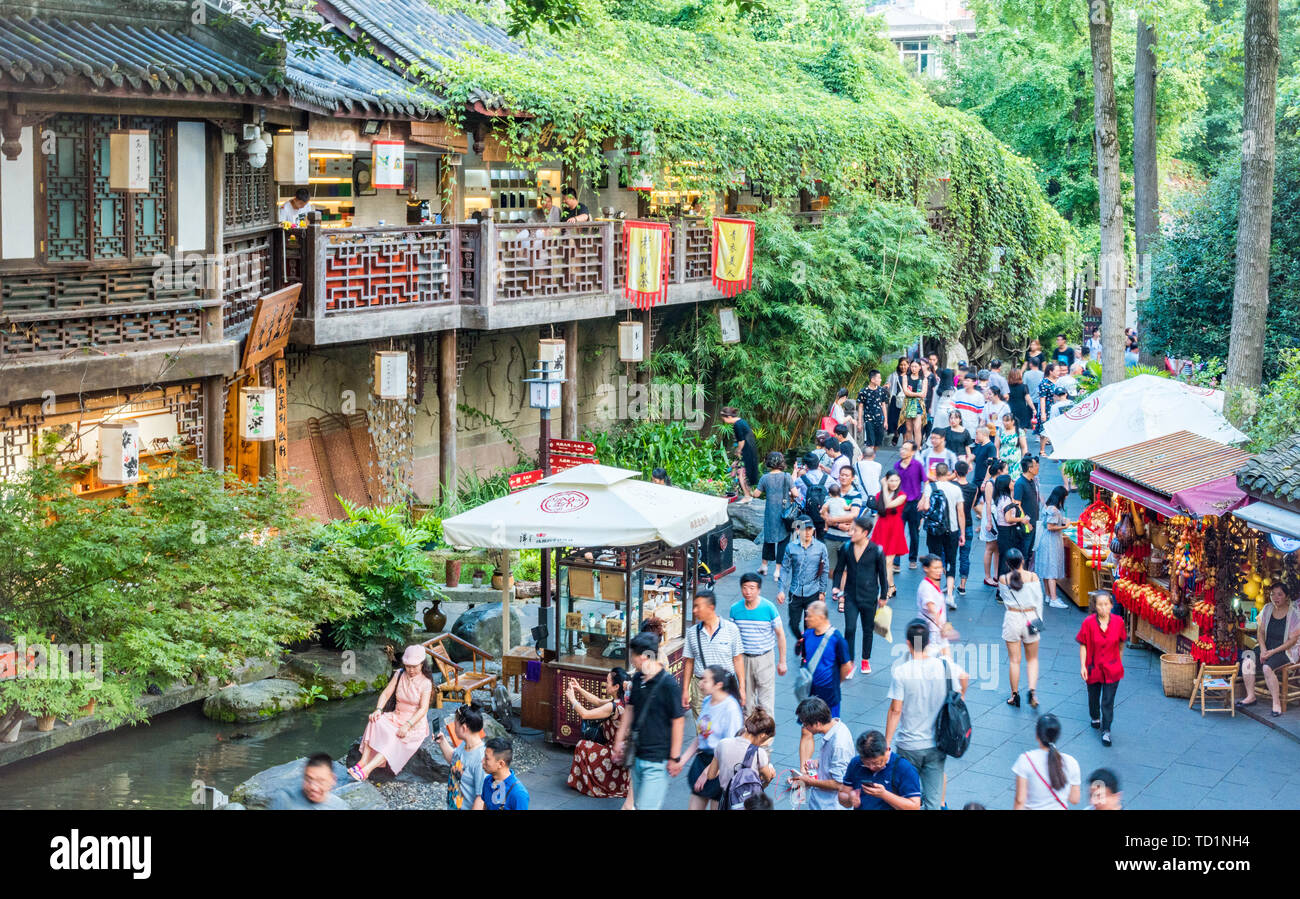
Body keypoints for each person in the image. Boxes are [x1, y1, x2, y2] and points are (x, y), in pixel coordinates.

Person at [886, 619, 969, 810]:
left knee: (906, 799)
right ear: (928, 642)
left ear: (908, 643)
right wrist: (961, 697)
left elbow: (895, 710)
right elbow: (964, 677)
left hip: (908, 745)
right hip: (937, 744)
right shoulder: (945, 666)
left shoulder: (902, 672)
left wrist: (887, 742)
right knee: (933, 802)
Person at [613, 631, 684, 810]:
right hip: (637, 754)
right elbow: (630, 710)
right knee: (639, 804)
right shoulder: (637, 679)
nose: (631, 660)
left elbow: (678, 721)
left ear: (644, 657)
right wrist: (618, 740)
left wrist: (675, 757)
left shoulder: (669, 685)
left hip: (657, 760)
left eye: (633, 656)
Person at [350, 645, 433, 781]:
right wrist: (378, 709)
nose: (411, 670)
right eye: (408, 666)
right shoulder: (400, 674)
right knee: (375, 721)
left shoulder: (426, 683)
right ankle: (362, 762)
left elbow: (423, 709)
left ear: (422, 664)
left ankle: (366, 771)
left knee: (395, 738)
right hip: (396, 715)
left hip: (414, 723)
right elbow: (387, 693)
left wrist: (408, 725)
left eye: (414, 666)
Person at [673, 665, 744, 809]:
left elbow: (729, 749)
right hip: (703, 760)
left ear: (718, 685)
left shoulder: (731, 708)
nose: (700, 683)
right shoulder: (707, 702)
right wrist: (681, 761)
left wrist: (708, 772)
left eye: (705, 680)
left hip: (721, 767)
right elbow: (701, 736)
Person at [833, 514, 890, 676]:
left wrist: (883, 595)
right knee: (850, 629)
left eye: (854, 530)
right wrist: (836, 587)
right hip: (850, 595)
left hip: (869, 596)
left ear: (865, 533)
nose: (851, 533)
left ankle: (865, 659)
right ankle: (849, 662)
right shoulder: (846, 548)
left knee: (867, 629)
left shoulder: (876, 551)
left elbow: (882, 575)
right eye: (851, 529)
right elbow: (838, 570)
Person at [565, 668, 632, 803]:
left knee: (582, 745)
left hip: (615, 757)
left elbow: (585, 714)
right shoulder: (624, 702)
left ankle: (593, 783)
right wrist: (579, 688)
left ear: (616, 687)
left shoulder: (613, 707)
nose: (605, 684)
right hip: (626, 758)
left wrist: (572, 699)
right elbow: (597, 701)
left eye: (608, 682)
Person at [729, 573, 787, 715]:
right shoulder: (735, 609)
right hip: (744, 660)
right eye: (745, 587)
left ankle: (767, 736)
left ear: (759, 590)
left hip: (764, 658)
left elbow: (780, 635)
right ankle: (748, 736)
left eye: (752, 588)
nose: (748, 591)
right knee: (747, 702)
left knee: (765, 703)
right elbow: (732, 637)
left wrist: (782, 661)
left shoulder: (769, 608)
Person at [1239, 583, 1300, 716]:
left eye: (1279, 594)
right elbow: (1260, 632)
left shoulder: (1294, 614)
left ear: (1286, 596)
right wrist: (1262, 649)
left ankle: (1276, 703)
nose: (1275, 597)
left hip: (1284, 650)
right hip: (1266, 647)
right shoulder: (1267, 608)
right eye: (1272, 594)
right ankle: (1251, 696)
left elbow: (1292, 641)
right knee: (1247, 657)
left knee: (1267, 668)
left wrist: (1272, 652)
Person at [682, 588, 745, 715]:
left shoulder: (731, 629)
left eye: (698, 607)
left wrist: (742, 688)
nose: (694, 611)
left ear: (711, 608)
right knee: (703, 730)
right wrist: (685, 690)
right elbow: (689, 662)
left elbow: (738, 659)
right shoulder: (692, 632)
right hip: (701, 687)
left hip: (724, 688)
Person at [1076, 591, 1127, 746]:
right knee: (1093, 695)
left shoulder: (1118, 622)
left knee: (1108, 700)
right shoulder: (1088, 623)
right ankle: (1095, 716)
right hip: (1093, 666)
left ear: (1111, 605)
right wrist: (1083, 665)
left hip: (1112, 667)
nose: (1103, 608)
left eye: (1106, 604)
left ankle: (1106, 730)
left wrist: (1119, 661)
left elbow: (1121, 643)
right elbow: (1083, 644)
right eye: (1100, 605)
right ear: (1095, 606)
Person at [704, 707, 778, 806]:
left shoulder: (722, 744)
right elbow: (767, 779)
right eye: (765, 741)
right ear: (762, 735)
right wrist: (771, 773)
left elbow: (710, 775)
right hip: (748, 803)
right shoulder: (759, 753)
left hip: (727, 802)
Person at [791, 696, 854, 811]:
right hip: (821, 801)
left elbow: (839, 784)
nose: (804, 727)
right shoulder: (834, 728)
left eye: (806, 724)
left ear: (818, 724)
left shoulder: (839, 744)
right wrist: (819, 762)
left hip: (830, 805)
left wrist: (810, 781)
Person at [999, 548, 1043, 709]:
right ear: (1022, 561)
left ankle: (1014, 694)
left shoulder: (1003, 579)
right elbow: (1039, 601)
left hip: (1012, 618)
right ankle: (1032, 692)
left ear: (1007, 564)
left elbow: (1004, 599)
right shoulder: (1033, 577)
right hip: (1031, 618)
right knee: (1032, 659)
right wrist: (1039, 622)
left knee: (1014, 660)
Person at [838, 729, 922, 811]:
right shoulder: (856, 763)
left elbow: (914, 807)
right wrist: (850, 797)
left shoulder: (904, 768)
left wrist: (884, 794)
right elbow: (842, 795)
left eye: (876, 763)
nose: (871, 767)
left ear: (887, 750)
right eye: (866, 763)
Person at [1013, 714, 1080, 810]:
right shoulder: (1071, 762)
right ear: (1058, 736)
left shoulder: (1026, 760)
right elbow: (1075, 799)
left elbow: (1020, 800)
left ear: (1037, 735)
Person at [778, 517, 830, 638]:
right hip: (795, 592)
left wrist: (822, 591)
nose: (807, 532)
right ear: (797, 530)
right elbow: (785, 568)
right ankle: (801, 640)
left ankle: (805, 653)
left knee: (810, 625)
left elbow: (825, 570)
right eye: (804, 529)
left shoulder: (821, 547)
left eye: (809, 529)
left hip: (813, 591)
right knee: (793, 624)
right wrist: (781, 590)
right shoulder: (791, 547)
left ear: (813, 530)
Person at [798, 601, 852, 717]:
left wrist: (837, 682)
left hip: (829, 692)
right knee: (806, 730)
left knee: (831, 728)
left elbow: (846, 665)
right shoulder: (807, 634)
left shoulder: (836, 638)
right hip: (810, 690)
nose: (806, 619)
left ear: (821, 617)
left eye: (810, 616)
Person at [924, 463, 965, 609]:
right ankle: (949, 595)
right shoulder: (955, 489)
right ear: (948, 473)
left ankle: (934, 594)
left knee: (934, 559)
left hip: (934, 529)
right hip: (951, 529)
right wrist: (963, 533)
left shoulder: (930, 487)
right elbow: (961, 512)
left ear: (935, 473)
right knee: (951, 561)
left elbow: (925, 507)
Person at [754, 451, 796, 579]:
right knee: (783, 540)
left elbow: (755, 494)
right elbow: (796, 494)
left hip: (770, 513)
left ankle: (764, 566)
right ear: (781, 462)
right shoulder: (787, 476)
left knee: (769, 538)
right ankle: (777, 571)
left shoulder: (765, 478)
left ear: (769, 463)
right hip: (785, 513)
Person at [439, 703, 487, 811]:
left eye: (455, 723)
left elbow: (481, 798)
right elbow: (453, 759)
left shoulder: (481, 759)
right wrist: (442, 741)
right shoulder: (464, 745)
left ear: (464, 728)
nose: (453, 726)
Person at [870, 470, 908, 597]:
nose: (894, 483)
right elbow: (878, 514)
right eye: (891, 480)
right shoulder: (879, 495)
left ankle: (887, 588)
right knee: (879, 561)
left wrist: (885, 487)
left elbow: (889, 504)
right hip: (881, 528)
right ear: (887, 480)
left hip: (894, 529)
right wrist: (872, 533)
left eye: (897, 480)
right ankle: (891, 586)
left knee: (888, 562)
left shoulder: (902, 495)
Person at [269, 753, 349, 809]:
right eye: (308, 779)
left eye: (320, 781)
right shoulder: (285, 798)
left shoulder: (340, 806)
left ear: (332, 780)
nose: (313, 787)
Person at [1035, 486, 1071, 609]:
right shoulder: (1054, 510)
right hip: (1051, 541)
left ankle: (1048, 595)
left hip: (1044, 539)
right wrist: (1064, 526)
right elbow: (1051, 527)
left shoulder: (1046, 506)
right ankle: (1054, 599)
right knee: (1051, 569)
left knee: (1046, 568)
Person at [893, 440, 927, 570]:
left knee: (914, 533)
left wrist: (923, 499)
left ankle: (912, 558)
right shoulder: (897, 465)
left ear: (913, 452)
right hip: (900, 504)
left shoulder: (917, 465)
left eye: (906, 449)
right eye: (902, 448)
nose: (902, 451)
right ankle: (896, 561)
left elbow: (926, 482)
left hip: (914, 503)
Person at [474, 737, 530, 809]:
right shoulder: (487, 780)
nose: (482, 761)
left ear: (501, 764)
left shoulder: (519, 794)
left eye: (487, 758)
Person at [820, 480, 858, 576]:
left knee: (827, 521)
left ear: (829, 493)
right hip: (843, 520)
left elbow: (822, 510)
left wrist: (824, 512)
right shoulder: (842, 500)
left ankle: (826, 527)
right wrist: (850, 506)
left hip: (833, 522)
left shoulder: (829, 500)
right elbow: (846, 508)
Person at [721, 406, 759, 502]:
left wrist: (738, 451)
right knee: (742, 472)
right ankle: (748, 494)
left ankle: (747, 496)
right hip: (750, 450)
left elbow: (741, 441)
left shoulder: (737, 425)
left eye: (724, 418)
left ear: (729, 417)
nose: (724, 421)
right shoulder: (741, 421)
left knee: (741, 473)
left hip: (746, 451)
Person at [979, 458, 1008, 586]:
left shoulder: (1001, 481)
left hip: (998, 514)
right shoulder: (991, 483)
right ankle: (987, 576)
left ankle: (996, 574)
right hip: (991, 515)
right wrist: (989, 522)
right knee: (990, 547)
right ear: (999, 471)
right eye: (1006, 469)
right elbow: (988, 503)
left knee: (997, 547)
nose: (1008, 471)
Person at [915, 555, 951, 654]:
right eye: (935, 568)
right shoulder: (926, 587)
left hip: (937, 631)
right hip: (930, 633)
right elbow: (932, 608)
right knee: (924, 664)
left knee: (948, 663)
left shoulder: (932, 584)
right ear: (926, 568)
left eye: (940, 567)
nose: (939, 571)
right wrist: (943, 626)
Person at [993, 473, 1027, 577]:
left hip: (1003, 533)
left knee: (1004, 558)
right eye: (1011, 481)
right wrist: (1021, 519)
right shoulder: (1006, 500)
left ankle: (1001, 585)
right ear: (1007, 485)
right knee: (1007, 559)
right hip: (1008, 533)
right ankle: (1004, 585)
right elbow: (1008, 519)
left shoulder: (1001, 498)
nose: (1013, 483)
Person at [954, 461, 978, 596]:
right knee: (965, 556)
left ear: (955, 472)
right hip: (968, 523)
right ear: (968, 471)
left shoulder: (952, 486)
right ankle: (962, 585)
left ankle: (949, 579)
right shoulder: (973, 488)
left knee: (949, 554)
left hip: (954, 525)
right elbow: (972, 504)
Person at [796, 452, 833, 539]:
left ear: (805, 466)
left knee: (806, 538)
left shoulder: (801, 480)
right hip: (823, 514)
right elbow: (837, 490)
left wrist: (795, 471)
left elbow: (792, 490)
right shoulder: (828, 479)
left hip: (807, 514)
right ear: (818, 464)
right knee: (822, 537)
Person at [1014, 454, 1041, 568]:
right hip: (1026, 525)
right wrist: (1026, 522)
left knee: (1029, 553)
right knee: (1024, 554)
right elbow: (1017, 504)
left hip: (1034, 522)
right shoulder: (1020, 483)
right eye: (1035, 465)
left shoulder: (1031, 481)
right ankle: (1022, 579)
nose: (1038, 467)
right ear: (1030, 468)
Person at [856, 369, 889, 450]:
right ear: (872, 379)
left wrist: (885, 421)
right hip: (868, 420)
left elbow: (883, 405)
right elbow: (860, 407)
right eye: (879, 378)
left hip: (880, 420)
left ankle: (872, 456)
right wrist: (859, 423)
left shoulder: (882, 391)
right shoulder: (863, 391)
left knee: (878, 443)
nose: (881, 380)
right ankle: (870, 458)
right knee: (870, 443)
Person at [901, 359, 928, 448]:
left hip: (919, 405)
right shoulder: (906, 377)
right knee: (909, 429)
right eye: (912, 366)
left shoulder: (924, 379)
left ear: (920, 367)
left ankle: (916, 449)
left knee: (917, 428)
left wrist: (912, 394)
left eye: (916, 366)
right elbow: (906, 392)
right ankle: (909, 448)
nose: (913, 368)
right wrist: (917, 394)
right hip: (908, 404)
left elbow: (923, 394)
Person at [997, 413, 1028, 481]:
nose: (1005, 423)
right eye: (1003, 421)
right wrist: (998, 458)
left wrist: (1024, 460)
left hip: (1015, 462)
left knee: (1014, 481)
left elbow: (1024, 447)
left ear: (1013, 421)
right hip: (1003, 463)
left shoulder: (1019, 432)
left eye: (1007, 421)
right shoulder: (1000, 431)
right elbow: (996, 447)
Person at [886, 357, 909, 446]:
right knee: (895, 421)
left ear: (908, 365)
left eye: (905, 365)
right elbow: (889, 383)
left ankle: (904, 442)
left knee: (905, 422)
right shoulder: (894, 375)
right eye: (901, 365)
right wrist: (887, 385)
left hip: (906, 401)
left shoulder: (910, 375)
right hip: (896, 400)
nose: (903, 367)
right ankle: (896, 434)